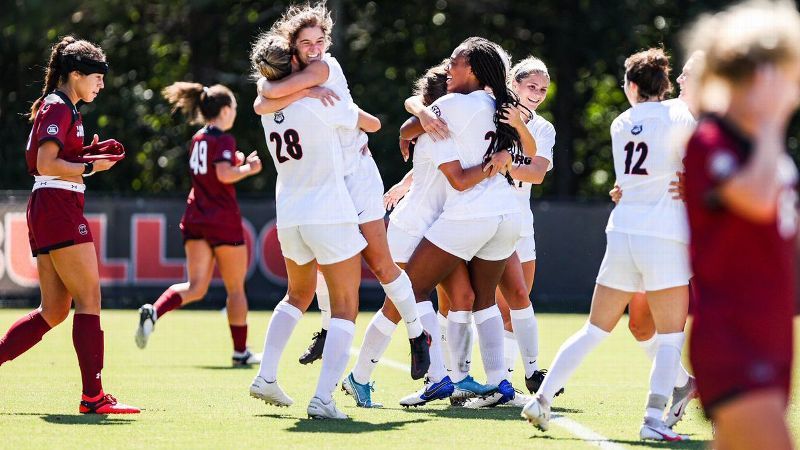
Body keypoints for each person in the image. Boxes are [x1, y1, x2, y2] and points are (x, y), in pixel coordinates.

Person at [522, 48, 695, 441]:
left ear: (632, 86)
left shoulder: (620, 122)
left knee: (594, 329)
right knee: (670, 337)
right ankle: (653, 420)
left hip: (622, 232)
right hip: (664, 234)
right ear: (664, 85)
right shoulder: (681, 115)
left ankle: (542, 399)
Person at [254, 3, 431, 377]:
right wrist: (303, 96)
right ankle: (327, 327)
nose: (315, 48)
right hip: (328, 178)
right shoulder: (303, 77)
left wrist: (300, 95)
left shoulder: (324, 67)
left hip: (357, 176)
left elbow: (266, 93)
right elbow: (261, 96)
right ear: (293, 47)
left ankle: (417, 335)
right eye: (306, 43)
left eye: (320, 40)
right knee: (323, 262)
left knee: (381, 264)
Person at [0, 36, 139, 414]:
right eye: (95, 77)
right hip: (58, 204)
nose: (101, 84)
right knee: (89, 299)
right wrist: (91, 165)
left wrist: (83, 155)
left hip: (50, 204)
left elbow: (55, 160)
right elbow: (47, 163)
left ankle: (92, 395)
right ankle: (93, 397)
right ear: (74, 74)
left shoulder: (62, 107)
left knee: (55, 310)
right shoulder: (60, 106)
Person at [683, 2, 800, 448]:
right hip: (734, 337)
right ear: (759, 75)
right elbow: (755, 200)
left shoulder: (761, 146)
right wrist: (774, 121)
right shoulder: (711, 140)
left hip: (769, 333)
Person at [246, 34, 381, 420]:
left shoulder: (270, 107)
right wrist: (332, 97)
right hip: (330, 212)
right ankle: (323, 398)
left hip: (290, 214)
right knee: (344, 307)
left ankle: (266, 376)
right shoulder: (325, 99)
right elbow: (372, 124)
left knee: (296, 295)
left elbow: (262, 98)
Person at [396, 37, 525, 407]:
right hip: (508, 213)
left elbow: (405, 132)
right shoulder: (501, 103)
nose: (448, 67)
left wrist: (419, 113)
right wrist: (420, 109)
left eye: (454, 61)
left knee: (415, 287)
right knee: (485, 299)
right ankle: (501, 383)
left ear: (471, 69)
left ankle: (438, 377)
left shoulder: (452, 103)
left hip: (470, 214)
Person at [134, 82, 263, 367]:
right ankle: (240, 351)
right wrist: (249, 168)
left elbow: (213, 171)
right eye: (235, 109)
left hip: (196, 217)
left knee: (195, 286)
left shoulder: (198, 138)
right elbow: (224, 174)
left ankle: (154, 311)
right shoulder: (224, 139)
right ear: (226, 110)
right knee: (235, 289)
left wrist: (235, 164)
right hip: (222, 219)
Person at [608, 51, 704, 428]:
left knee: (729, 319)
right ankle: (683, 383)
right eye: (681, 73)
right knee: (639, 323)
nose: (682, 79)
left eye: (691, 73)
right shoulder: (668, 114)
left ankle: (741, 401)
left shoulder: (722, 119)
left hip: (706, 238)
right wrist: (625, 189)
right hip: (665, 231)